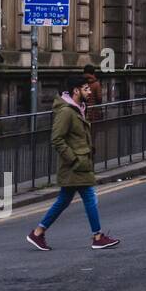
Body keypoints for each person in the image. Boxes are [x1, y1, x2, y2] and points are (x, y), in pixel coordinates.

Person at [26, 75, 119, 251]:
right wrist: (74, 159)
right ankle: (97, 236)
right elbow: (57, 139)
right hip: (76, 165)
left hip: (80, 163)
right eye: (86, 89)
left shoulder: (78, 108)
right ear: (76, 91)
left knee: (63, 200)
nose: (90, 91)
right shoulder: (66, 112)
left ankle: (38, 233)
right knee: (89, 197)